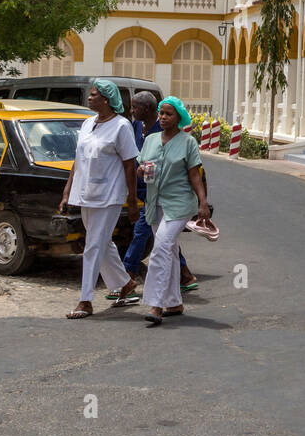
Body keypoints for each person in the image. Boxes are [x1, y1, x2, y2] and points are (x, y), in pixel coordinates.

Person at [60, 79, 139, 319]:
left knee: (93, 245)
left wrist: (132, 201)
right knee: (102, 242)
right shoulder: (86, 124)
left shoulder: (121, 126)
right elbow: (78, 161)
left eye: (94, 95)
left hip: (109, 196)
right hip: (86, 194)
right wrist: (66, 192)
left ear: (106, 99)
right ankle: (125, 284)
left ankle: (86, 300)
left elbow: (129, 165)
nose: (90, 98)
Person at [114, 91, 196, 299]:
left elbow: (194, 172)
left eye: (135, 108)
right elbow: (133, 158)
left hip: (169, 196)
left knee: (146, 236)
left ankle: (129, 279)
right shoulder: (135, 128)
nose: (131, 112)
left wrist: (201, 202)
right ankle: (184, 277)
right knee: (165, 241)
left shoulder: (170, 132)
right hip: (145, 191)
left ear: (148, 109)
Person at [137, 95, 210, 325]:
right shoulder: (150, 140)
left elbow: (194, 175)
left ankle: (156, 304)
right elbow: (141, 167)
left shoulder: (188, 142)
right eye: (161, 113)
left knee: (161, 247)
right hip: (155, 202)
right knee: (169, 251)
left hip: (179, 204)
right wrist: (141, 170)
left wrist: (203, 203)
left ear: (178, 117)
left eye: (169, 114)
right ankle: (175, 302)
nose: (164, 117)